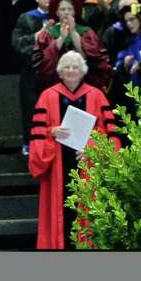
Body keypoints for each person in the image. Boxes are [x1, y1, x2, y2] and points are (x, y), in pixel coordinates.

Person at [27, 51, 119, 250]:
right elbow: (37, 135)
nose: (71, 71)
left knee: (89, 215)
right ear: (59, 71)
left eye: (75, 67)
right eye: (66, 67)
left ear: (82, 71)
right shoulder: (47, 97)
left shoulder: (96, 96)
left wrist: (92, 149)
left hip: (88, 168)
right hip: (56, 169)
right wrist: (52, 132)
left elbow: (110, 132)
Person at [32, 0, 111, 94]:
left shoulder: (86, 32)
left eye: (70, 9)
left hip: (84, 84)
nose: (66, 12)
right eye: (62, 9)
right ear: (56, 12)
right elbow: (43, 63)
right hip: (55, 85)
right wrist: (62, 37)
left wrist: (73, 32)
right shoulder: (48, 34)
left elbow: (92, 58)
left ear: (74, 12)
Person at [12, 0, 56, 147]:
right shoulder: (26, 18)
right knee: (31, 107)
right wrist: (37, 36)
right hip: (32, 73)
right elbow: (17, 43)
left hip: (54, 73)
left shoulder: (60, 17)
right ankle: (31, 144)